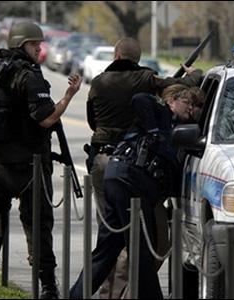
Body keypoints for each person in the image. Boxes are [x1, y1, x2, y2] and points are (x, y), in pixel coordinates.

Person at [0, 21, 82, 298]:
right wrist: (69, 96)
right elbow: (47, 118)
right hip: (29, 165)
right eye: (36, 44)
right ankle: (48, 287)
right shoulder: (29, 76)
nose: (40, 48)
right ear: (22, 44)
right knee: (38, 224)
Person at [85, 37, 203, 298]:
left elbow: (93, 122)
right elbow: (178, 87)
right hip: (136, 169)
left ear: (116, 55)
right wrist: (196, 75)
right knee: (145, 241)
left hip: (104, 163)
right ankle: (115, 294)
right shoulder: (145, 79)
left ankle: (100, 293)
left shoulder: (98, 82)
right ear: (137, 59)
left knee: (111, 238)